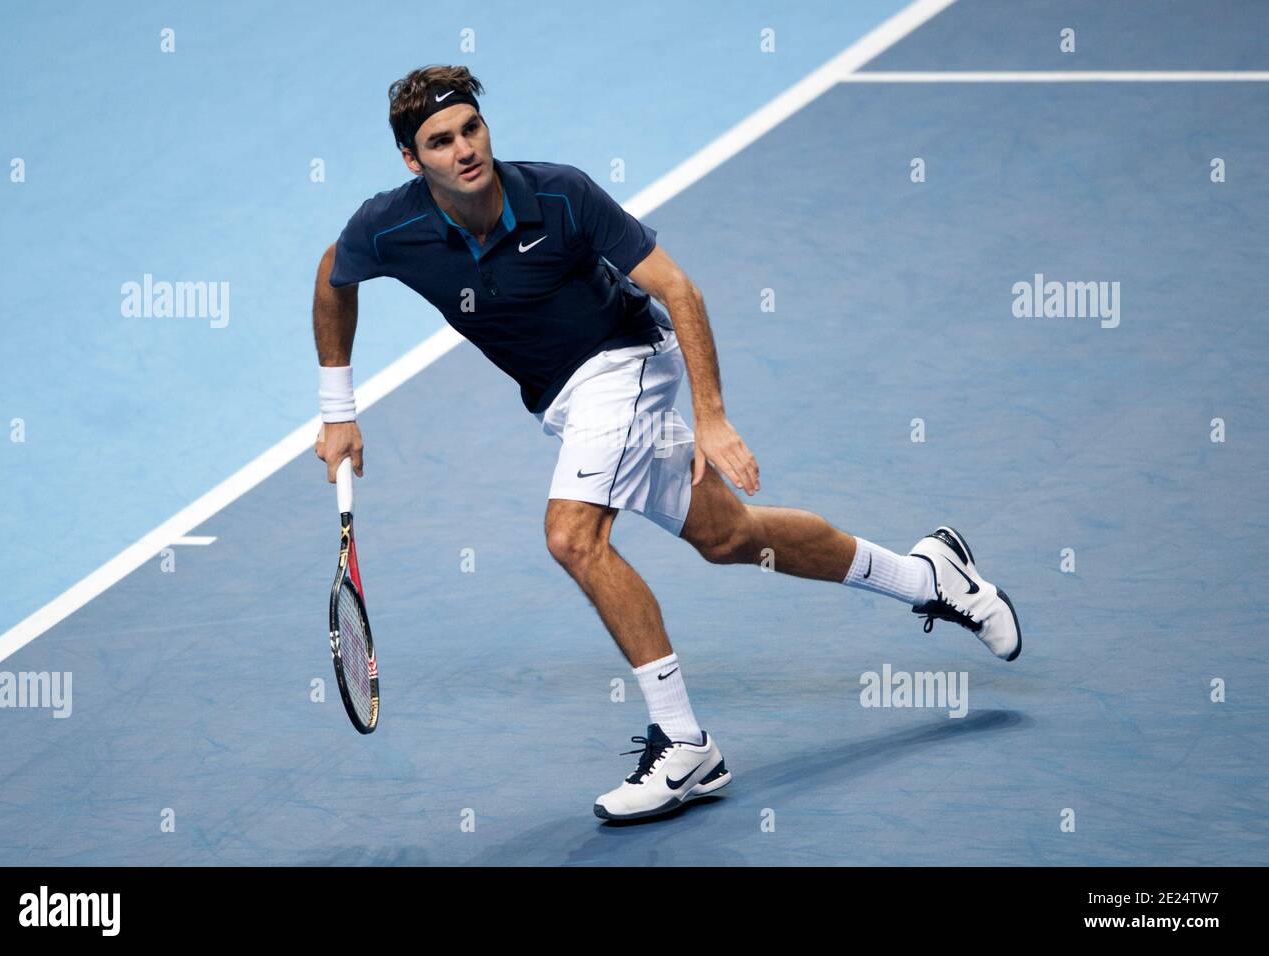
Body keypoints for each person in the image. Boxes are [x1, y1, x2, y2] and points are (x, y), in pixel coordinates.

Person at [312, 64, 1021, 822]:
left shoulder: (560, 194)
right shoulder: (389, 226)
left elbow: (680, 290)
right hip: (563, 399)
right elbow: (333, 275)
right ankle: (930, 576)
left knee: (572, 537)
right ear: (413, 161)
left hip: (626, 360)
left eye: (471, 128)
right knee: (731, 537)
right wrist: (338, 408)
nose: (464, 149)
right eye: (441, 141)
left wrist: (711, 417)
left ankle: (684, 744)